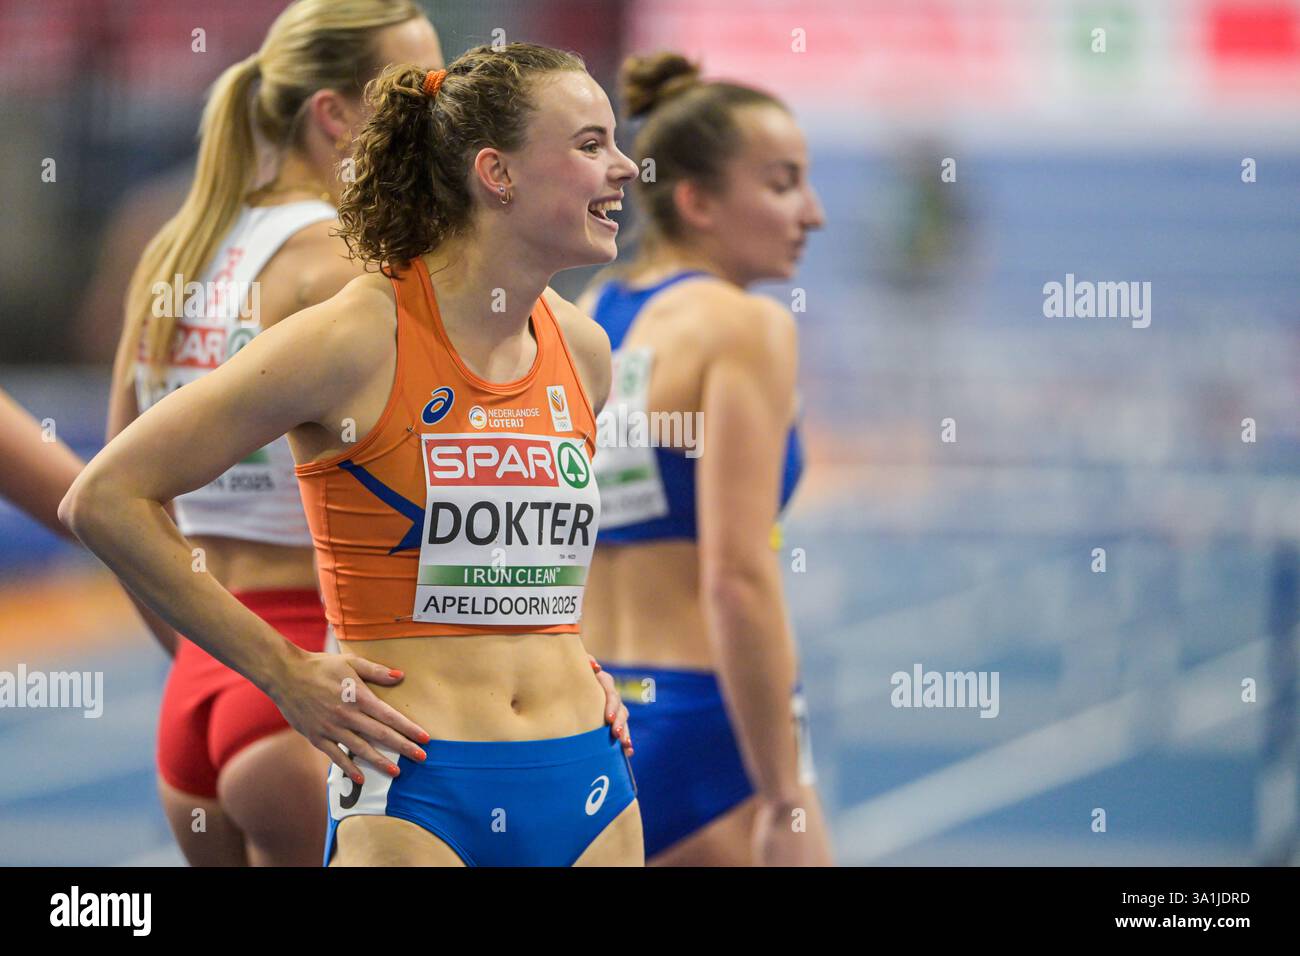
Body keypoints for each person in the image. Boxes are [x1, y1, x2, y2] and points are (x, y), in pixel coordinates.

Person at [63, 41, 643, 867]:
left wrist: (574, 655)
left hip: (588, 775)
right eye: (591, 144)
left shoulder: (583, 350)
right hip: (417, 789)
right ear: (497, 172)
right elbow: (105, 497)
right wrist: (283, 671)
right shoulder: (358, 334)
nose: (624, 167)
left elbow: (528, 553)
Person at [578, 52, 833, 866]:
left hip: (598, 711)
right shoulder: (743, 325)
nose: (814, 213)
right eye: (784, 184)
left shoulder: (597, 312)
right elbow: (736, 576)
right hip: (704, 719)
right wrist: (786, 794)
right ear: (696, 201)